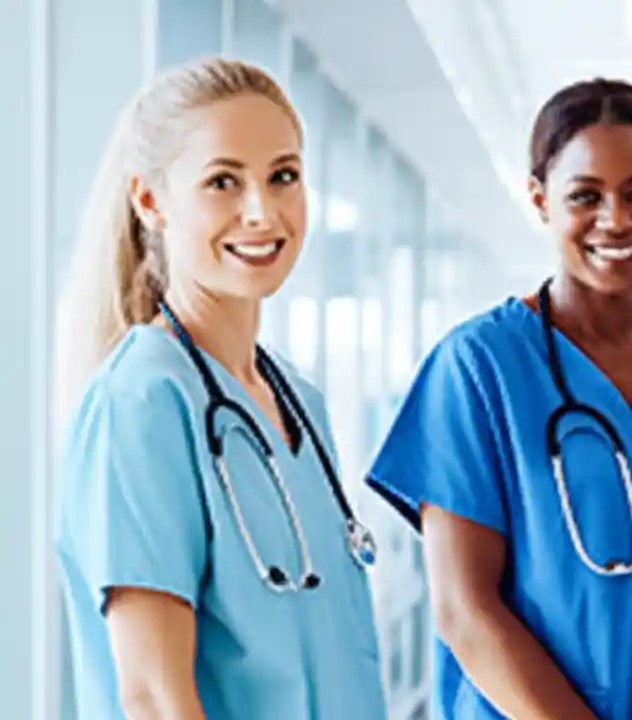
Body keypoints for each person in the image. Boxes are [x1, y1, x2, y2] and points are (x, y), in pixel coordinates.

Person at [366, 78, 632, 720]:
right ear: (540, 201)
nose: (616, 220)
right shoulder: (478, 368)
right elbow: (465, 610)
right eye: (585, 196)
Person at [55, 57, 386, 720]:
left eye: (282, 176)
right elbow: (152, 697)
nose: (261, 212)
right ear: (151, 201)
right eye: (222, 182)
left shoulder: (298, 400)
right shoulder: (144, 402)